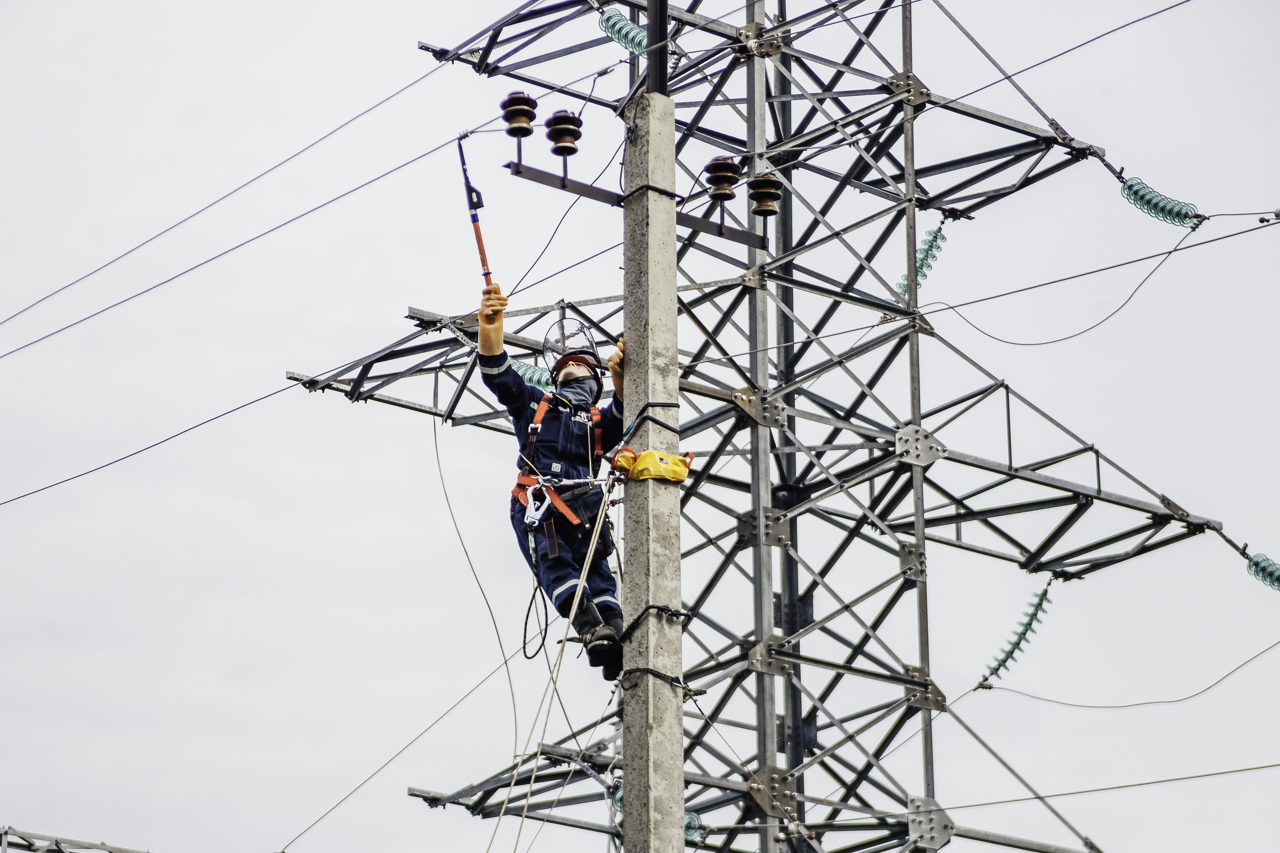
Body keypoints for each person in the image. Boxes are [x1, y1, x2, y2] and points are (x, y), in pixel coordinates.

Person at [476, 281, 627, 681]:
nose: (569, 368)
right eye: (563, 368)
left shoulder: (597, 421)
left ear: (595, 381)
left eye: (578, 366)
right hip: (541, 502)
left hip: (583, 511)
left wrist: (625, 372)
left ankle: (614, 636)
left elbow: (625, 408)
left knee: (596, 573)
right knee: (558, 565)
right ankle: (593, 629)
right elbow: (497, 371)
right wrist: (490, 325)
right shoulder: (534, 403)